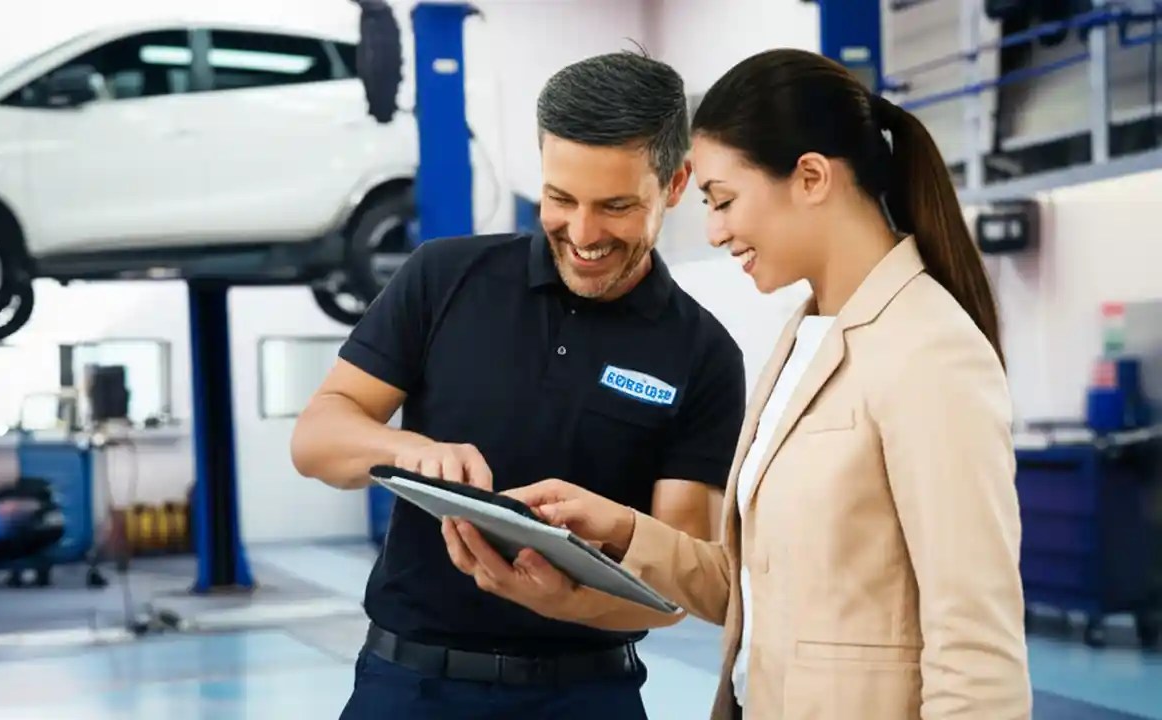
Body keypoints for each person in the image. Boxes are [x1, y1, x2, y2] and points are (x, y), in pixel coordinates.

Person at [443, 48, 1033, 720]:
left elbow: (976, 646)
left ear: (810, 177)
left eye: (723, 201)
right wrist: (621, 530)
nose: (716, 231)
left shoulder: (929, 349)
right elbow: (754, 585)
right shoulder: (806, 337)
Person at [290, 50, 747, 719]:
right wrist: (408, 450)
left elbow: (675, 584)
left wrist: (561, 600)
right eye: (561, 199)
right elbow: (316, 438)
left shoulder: (702, 354)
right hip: (408, 687)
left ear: (675, 186)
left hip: (587, 694)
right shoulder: (443, 278)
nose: (584, 234)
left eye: (616, 206)